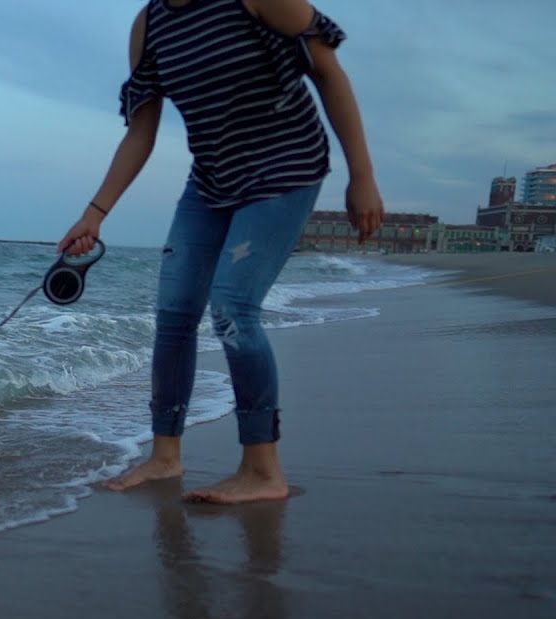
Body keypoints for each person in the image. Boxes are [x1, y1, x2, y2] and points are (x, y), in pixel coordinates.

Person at [57, 0, 383, 504]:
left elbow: (328, 73)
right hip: (211, 181)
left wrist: (362, 175)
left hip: (285, 168)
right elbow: (141, 131)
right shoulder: (149, 25)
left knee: (232, 308)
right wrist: (95, 213)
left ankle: (262, 469)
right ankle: (165, 456)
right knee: (174, 313)